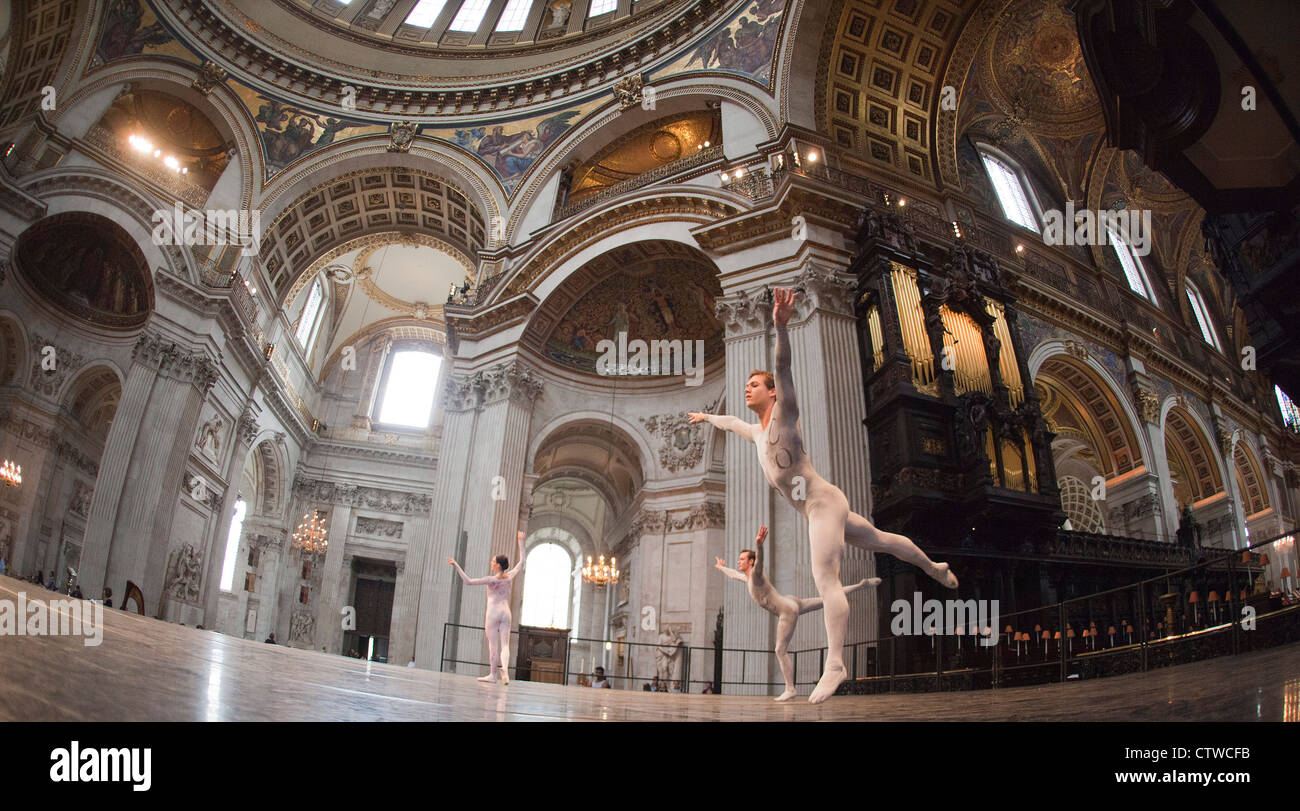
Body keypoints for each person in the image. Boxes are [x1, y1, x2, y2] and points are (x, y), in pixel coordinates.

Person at [689, 287, 958, 703]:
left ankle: (835, 663)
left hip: (822, 504)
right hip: (821, 505)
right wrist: (706, 415)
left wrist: (781, 326)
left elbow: (784, 365)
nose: (747, 389)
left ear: (772, 392)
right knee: (883, 542)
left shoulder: (786, 412)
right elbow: (730, 422)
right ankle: (934, 566)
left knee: (826, 578)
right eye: (745, 384)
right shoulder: (757, 433)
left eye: (754, 384)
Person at [716, 525, 879, 701]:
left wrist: (760, 546)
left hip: (787, 610)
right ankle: (862, 585)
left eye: (742, 559)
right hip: (791, 601)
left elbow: (760, 563)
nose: (738, 562)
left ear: (750, 562)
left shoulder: (755, 575)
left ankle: (790, 688)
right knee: (827, 599)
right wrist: (721, 567)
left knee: (780, 650)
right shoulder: (748, 579)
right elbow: (734, 575)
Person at [448, 530, 526, 684]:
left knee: (493, 645)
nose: (491, 563)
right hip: (506, 612)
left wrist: (456, 565)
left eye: (493, 561)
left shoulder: (491, 580)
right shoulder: (510, 576)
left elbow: (468, 581)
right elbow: (522, 561)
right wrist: (521, 542)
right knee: (505, 644)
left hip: (493, 612)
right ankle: (505, 669)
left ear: (497, 565)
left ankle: (493, 674)